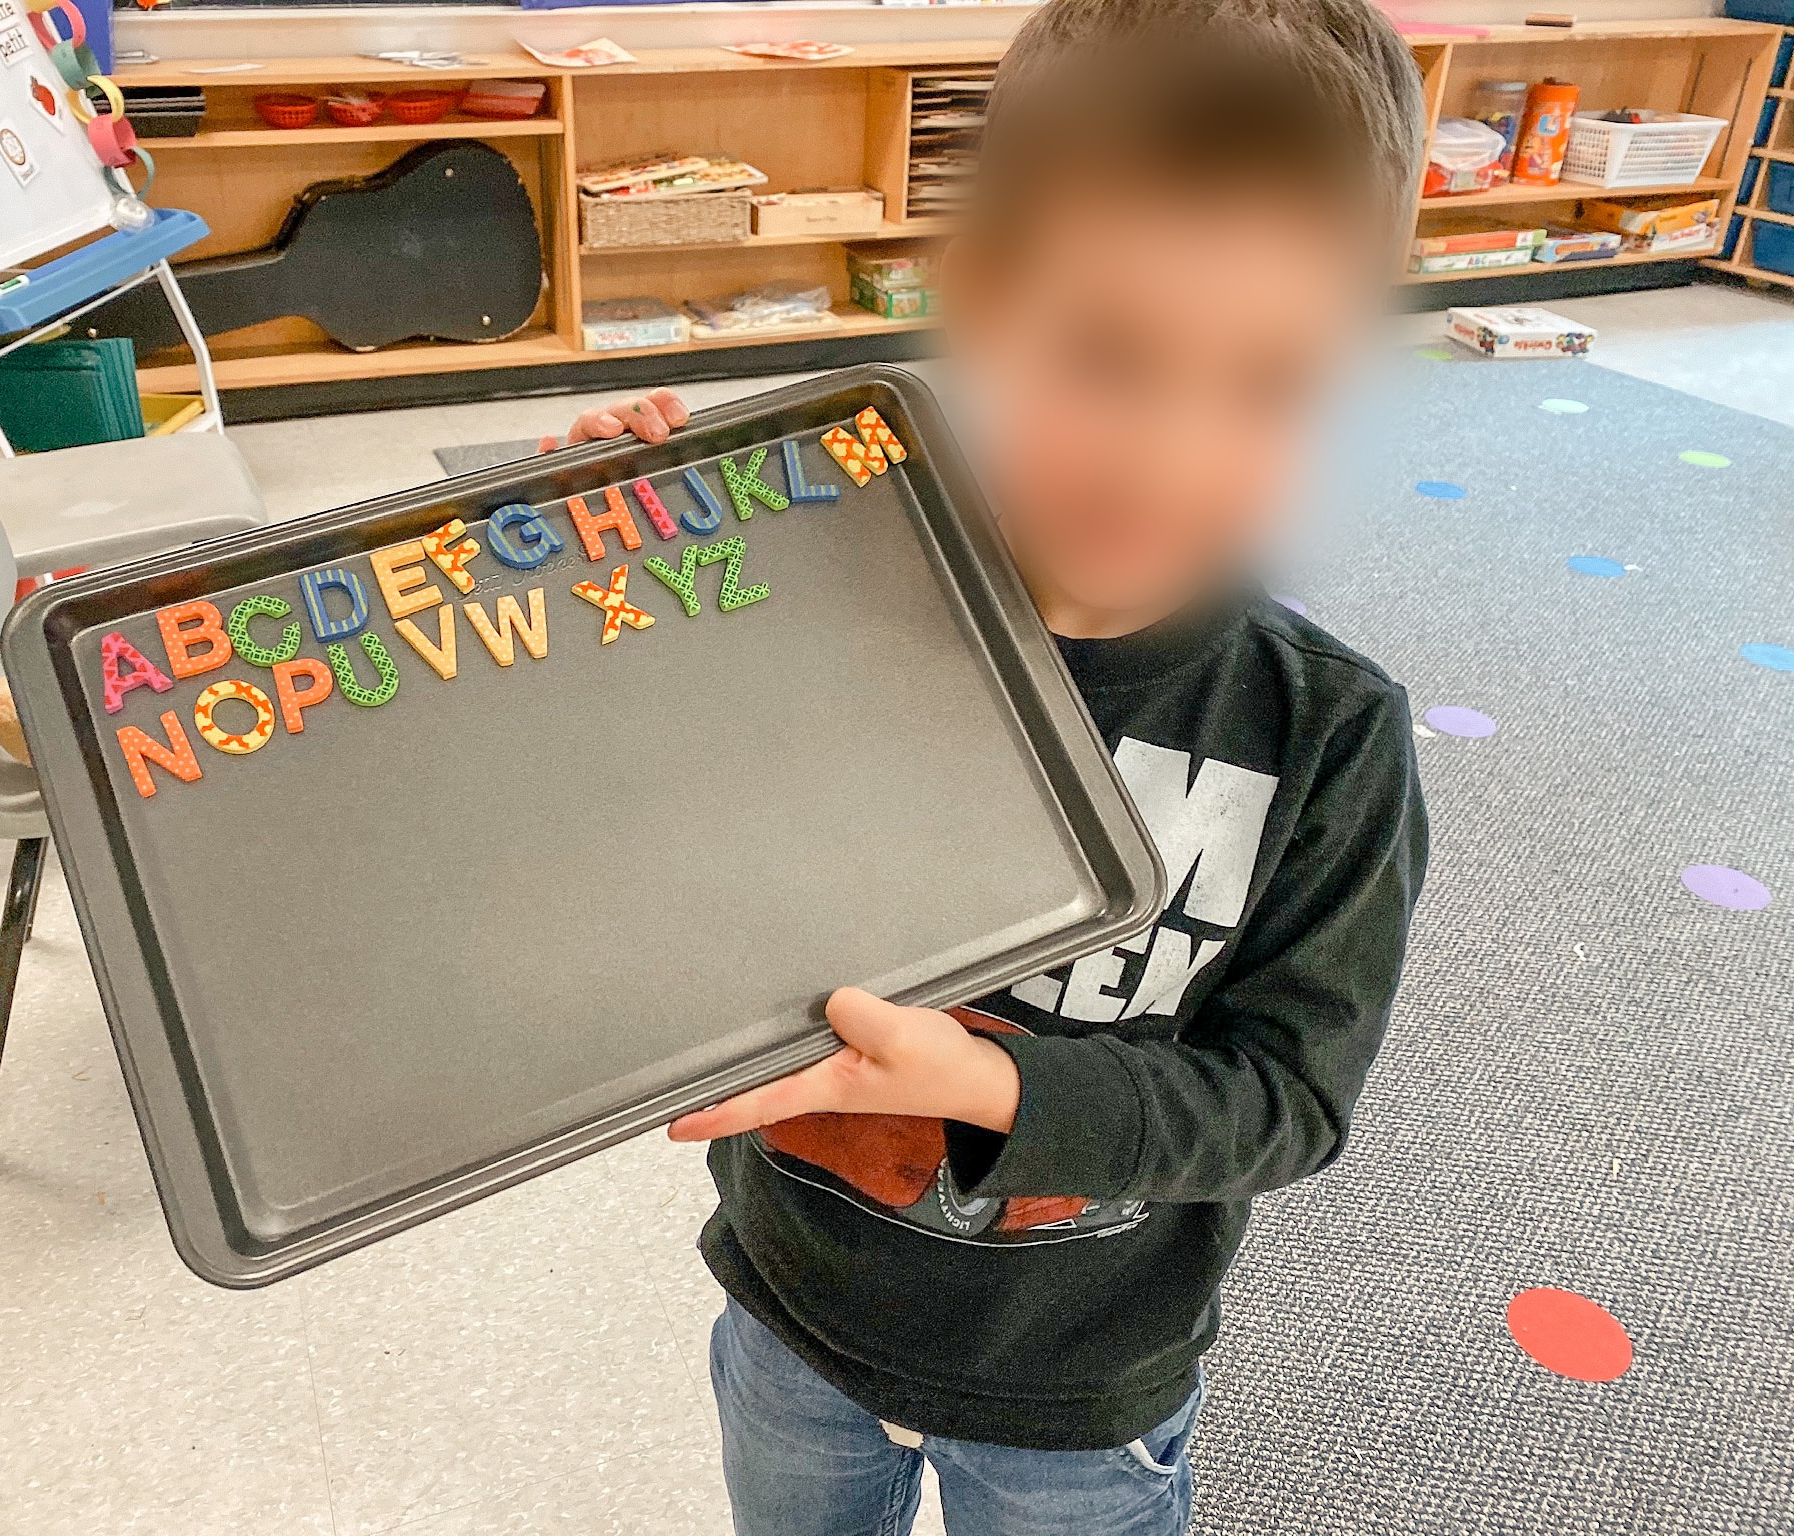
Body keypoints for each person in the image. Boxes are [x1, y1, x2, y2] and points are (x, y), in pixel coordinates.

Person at [552, 0, 1430, 1530]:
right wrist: (609, 566)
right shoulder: (835, 586)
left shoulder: (1330, 736)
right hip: (793, 1310)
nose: (1168, 456)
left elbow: (1288, 1099)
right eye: (1106, 354)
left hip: (1081, 1388)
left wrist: (988, 1082)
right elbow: (637, 807)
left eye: (1268, 383)